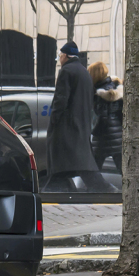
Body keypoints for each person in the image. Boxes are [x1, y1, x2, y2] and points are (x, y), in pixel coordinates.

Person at [44, 42, 109, 193]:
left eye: (60, 55)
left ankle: (106, 190)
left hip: (67, 128)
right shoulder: (84, 72)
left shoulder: (66, 71)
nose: (59, 58)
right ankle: (53, 190)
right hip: (81, 126)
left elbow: (61, 100)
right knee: (76, 164)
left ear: (66, 56)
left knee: (67, 164)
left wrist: (53, 120)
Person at [89, 61, 123, 174]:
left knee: (94, 167)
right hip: (117, 134)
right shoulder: (114, 88)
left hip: (103, 137)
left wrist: (95, 132)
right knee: (122, 167)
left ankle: (94, 189)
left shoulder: (99, 94)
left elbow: (101, 117)